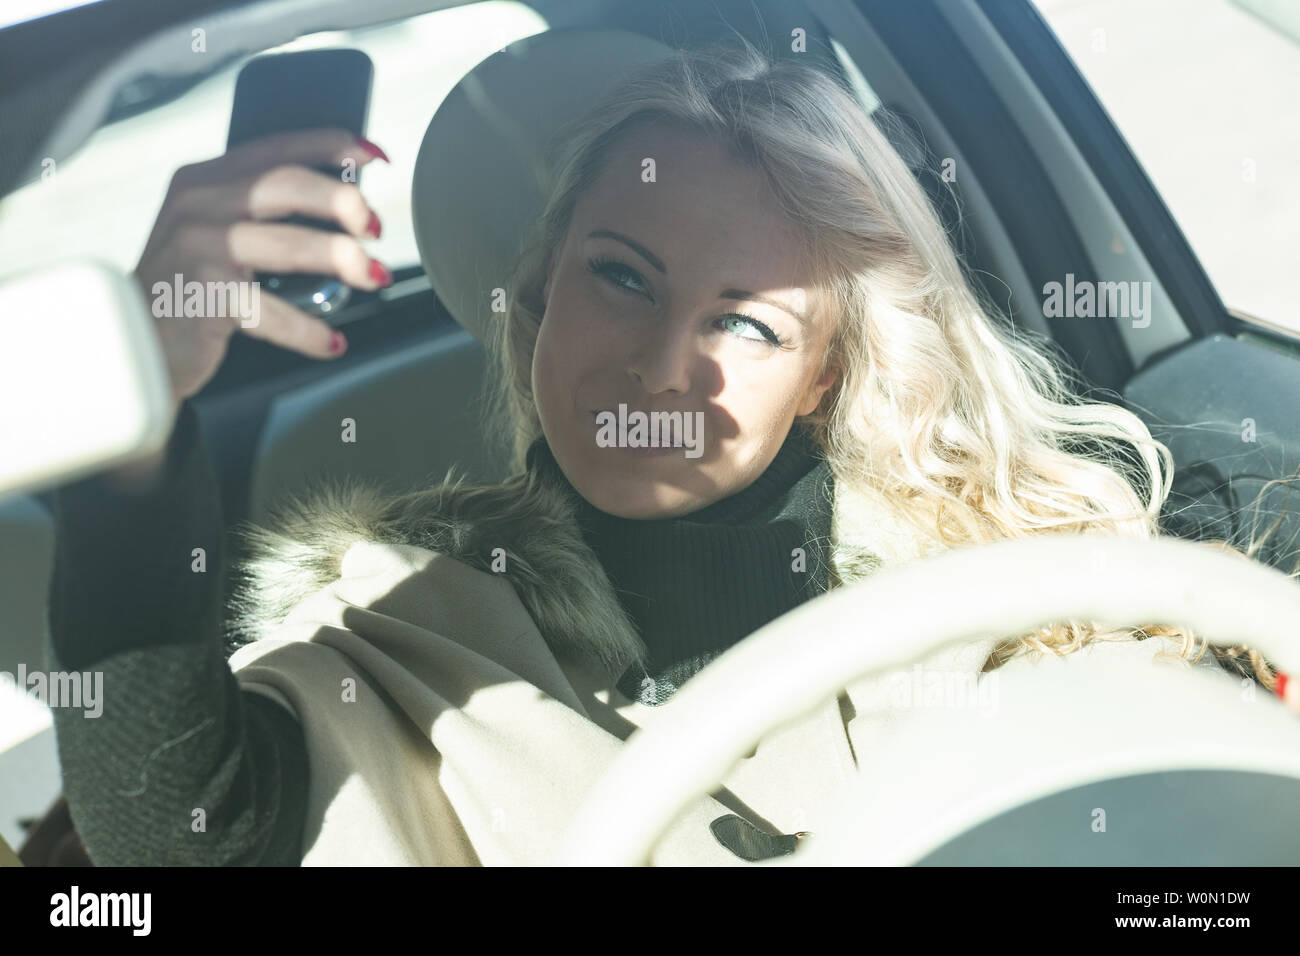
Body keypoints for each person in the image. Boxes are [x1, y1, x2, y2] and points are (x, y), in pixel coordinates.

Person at [40, 38, 1295, 866]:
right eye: (621, 278)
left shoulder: (1041, 599)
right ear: (537, 295)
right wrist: (140, 427)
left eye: (745, 321)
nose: (659, 368)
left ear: (830, 374)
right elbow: (178, 833)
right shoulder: (405, 635)